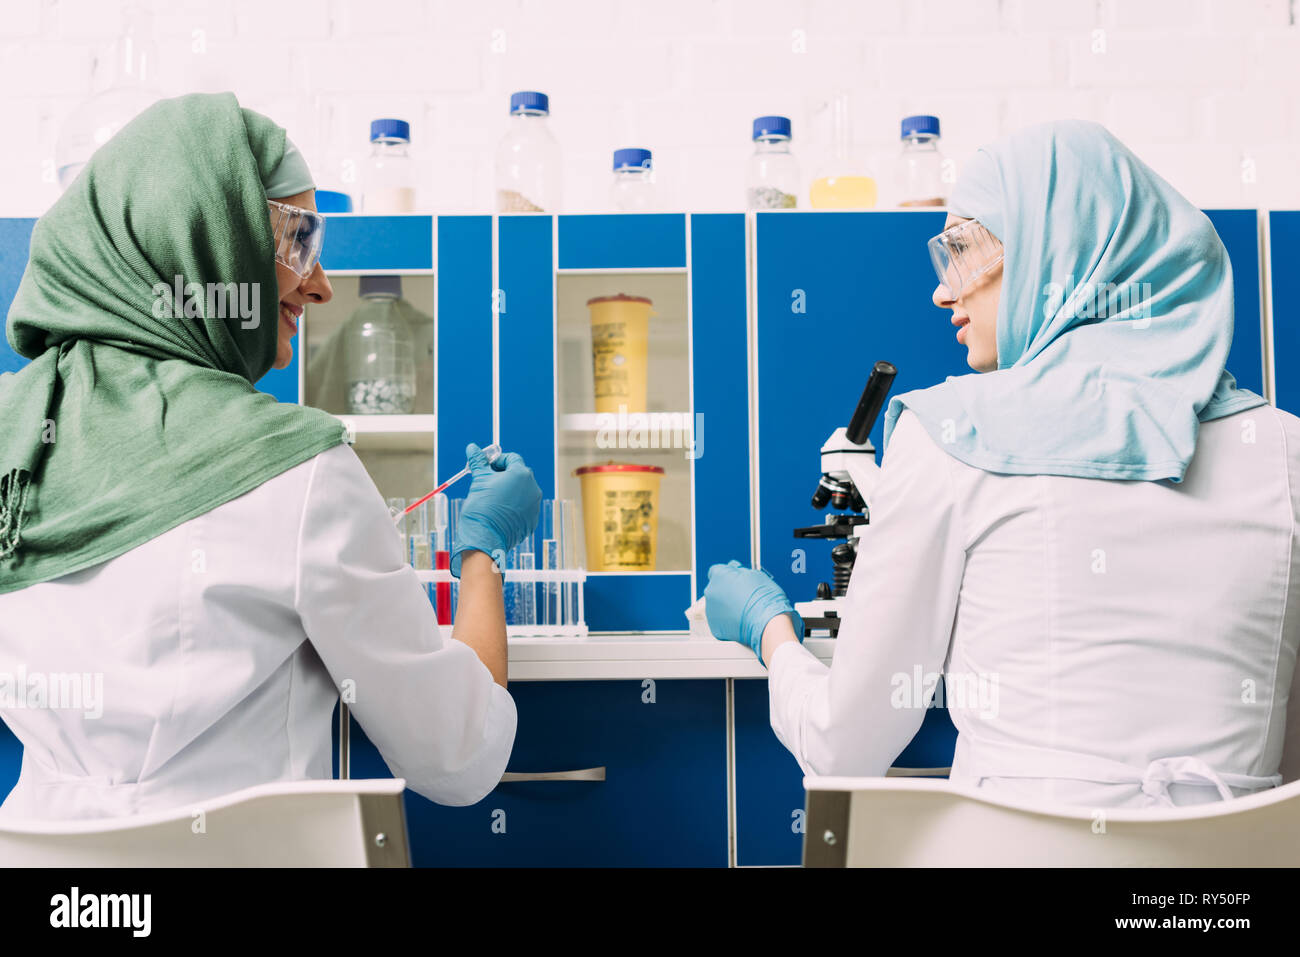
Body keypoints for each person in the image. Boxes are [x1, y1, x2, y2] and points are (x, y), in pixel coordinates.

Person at [706, 119, 1300, 810]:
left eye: (963, 249)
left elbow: (843, 747)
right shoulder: (1284, 452)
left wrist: (769, 628)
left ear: (1056, 250)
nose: (943, 290)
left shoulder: (947, 433)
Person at [0, 92, 541, 820]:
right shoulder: (296, 470)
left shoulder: (17, 440)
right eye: (300, 243)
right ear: (204, 240)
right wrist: (482, 553)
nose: (319, 285)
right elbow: (458, 752)